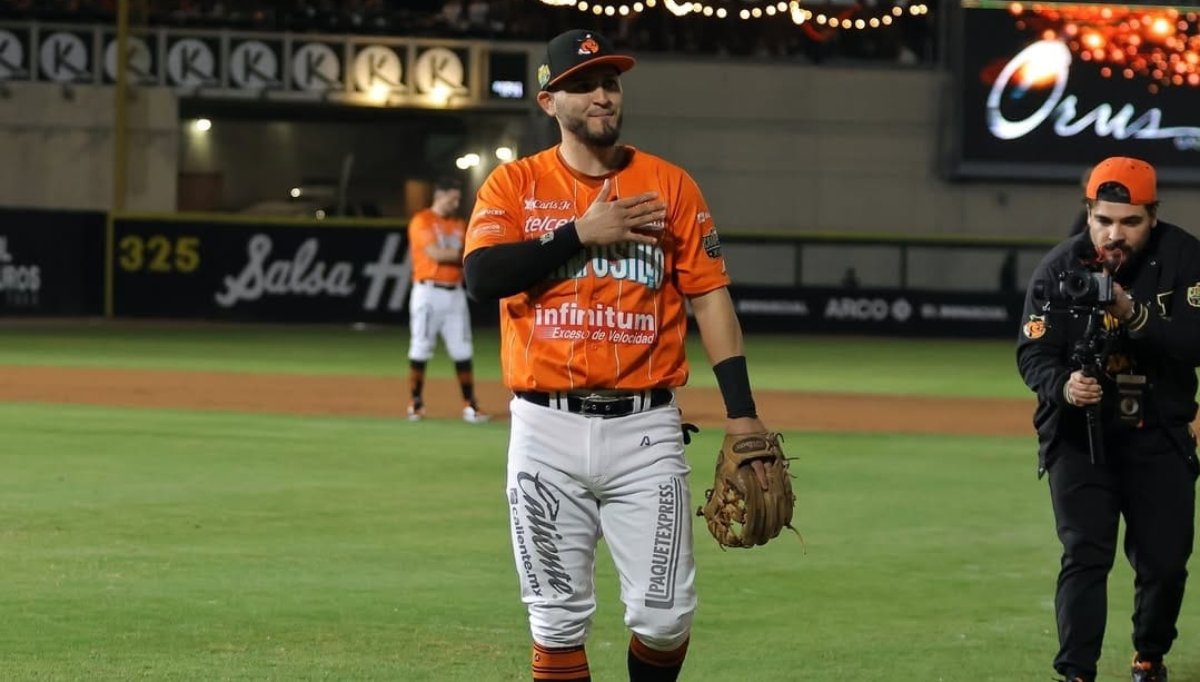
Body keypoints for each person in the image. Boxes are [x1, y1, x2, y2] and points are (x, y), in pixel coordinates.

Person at [463, 29, 774, 682]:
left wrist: (742, 413)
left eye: (609, 82)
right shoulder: (515, 185)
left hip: (646, 429)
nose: (602, 95)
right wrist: (579, 233)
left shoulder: (670, 186)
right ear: (550, 102)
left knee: (665, 618)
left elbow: (710, 299)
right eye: (583, 84)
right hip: (545, 428)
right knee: (554, 620)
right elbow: (483, 275)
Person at [1017, 156, 1200, 682]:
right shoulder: (1059, 268)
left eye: (1131, 221)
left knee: (1164, 565)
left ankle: (1149, 657)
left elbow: (1195, 342)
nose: (1114, 234)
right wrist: (1064, 387)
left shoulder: (1185, 257)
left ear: (1153, 215)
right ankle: (1076, 673)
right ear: (1088, 213)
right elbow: (1032, 354)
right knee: (1084, 555)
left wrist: (1134, 314)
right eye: (1104, 219)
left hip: (1159, 436)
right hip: (1080, 439)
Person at [405, 176, 488, 423]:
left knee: (463, 348)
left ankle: (470, 405)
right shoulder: (422, 220)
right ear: (440, 195)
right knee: (421, 346)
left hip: (455, 292)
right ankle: (415, 403)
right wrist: (466, 253)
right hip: (428, 292)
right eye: (453, 198)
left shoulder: (459, 224)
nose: (457, 202)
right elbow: (437, 254)